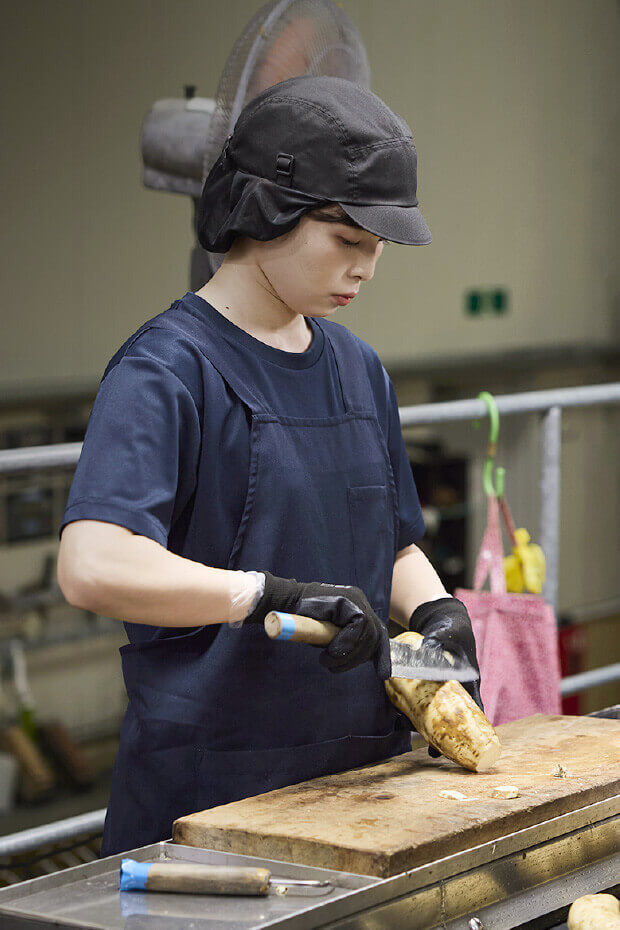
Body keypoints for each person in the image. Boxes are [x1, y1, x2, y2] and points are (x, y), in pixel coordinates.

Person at [57, 75, 482, 857]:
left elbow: (391, 543)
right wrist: (263, 595)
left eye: (378, 248)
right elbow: (92, 564)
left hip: (359, 787)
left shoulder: (358, 369)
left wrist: (436, 615)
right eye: (347, 241)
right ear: (265, 210)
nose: (366, 269)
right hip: (212, 799)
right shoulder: (168, 370)